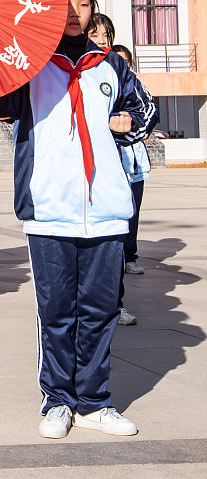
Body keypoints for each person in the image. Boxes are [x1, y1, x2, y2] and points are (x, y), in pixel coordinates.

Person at [0, 0, 155, 439]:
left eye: (82, 4)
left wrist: (129, 122)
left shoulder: (111, 66)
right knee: (58, 311)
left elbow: (146, 109)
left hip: (105, 208)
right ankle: (58, 400)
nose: (73, 13)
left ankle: (95, 402)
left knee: (100, 310)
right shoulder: (30, 66)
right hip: (49, 210)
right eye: (62, 4)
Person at [112, 43, 152, 326]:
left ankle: (116, 303)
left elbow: (147, 114)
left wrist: (137, 127)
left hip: (132, 171)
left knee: (129, 220)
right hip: (106, 175)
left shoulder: (133, 88)